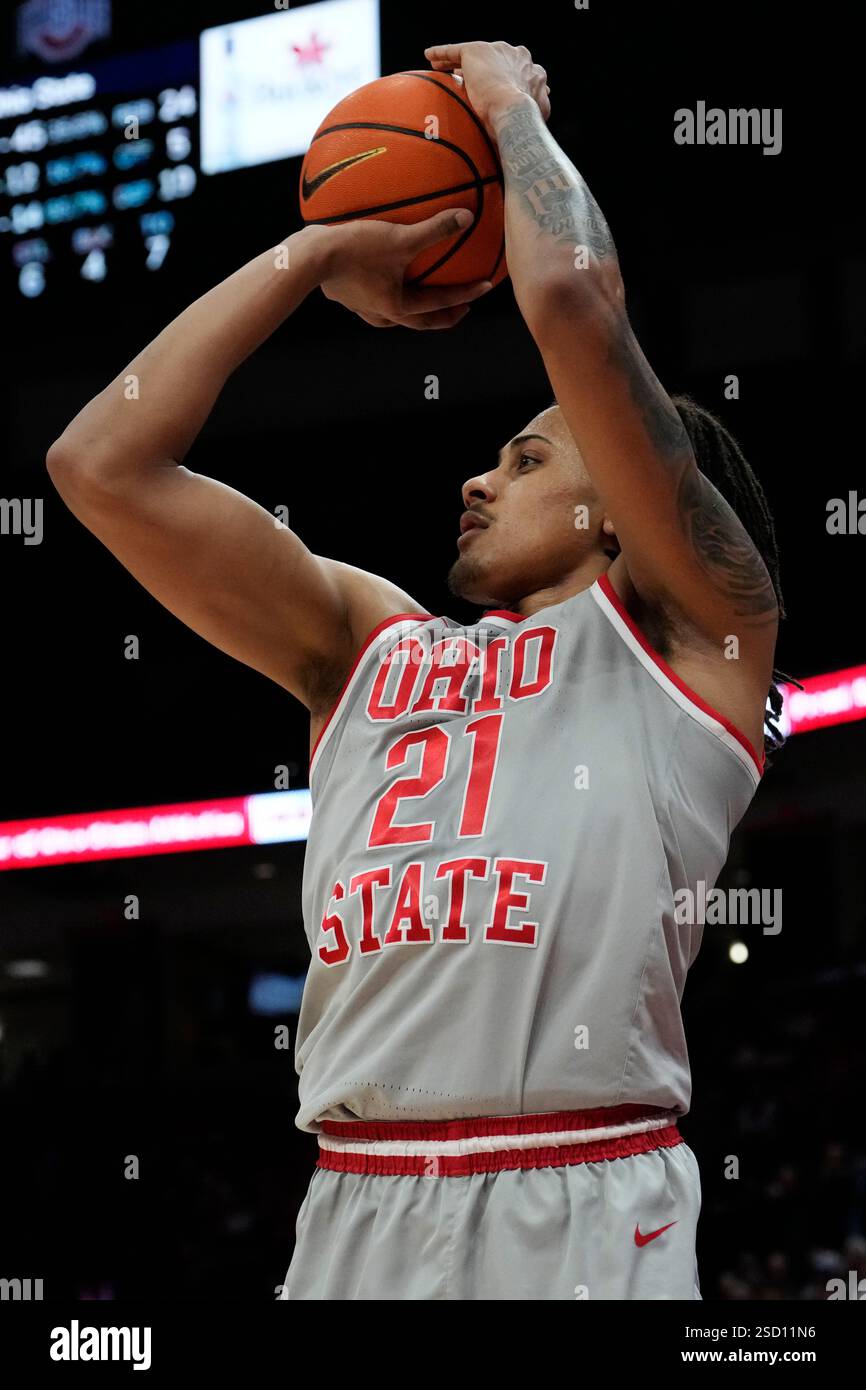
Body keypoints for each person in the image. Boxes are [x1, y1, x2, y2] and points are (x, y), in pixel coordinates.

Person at [47, 40, 786, 1300]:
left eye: (526, 460)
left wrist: (504, 108)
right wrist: (317, 255)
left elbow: (569, 308)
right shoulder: (365, 644)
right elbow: (99, 463)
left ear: (624, 510)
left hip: (578, 1189)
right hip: (353, 1198)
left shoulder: (696, 639)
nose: (476, 478)